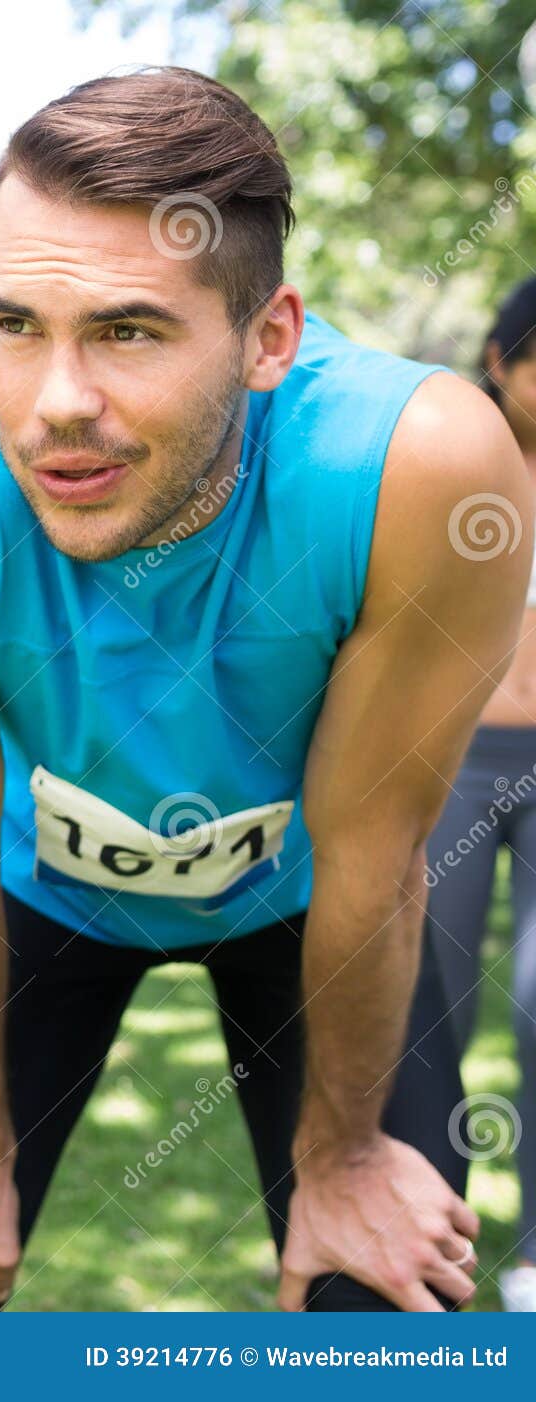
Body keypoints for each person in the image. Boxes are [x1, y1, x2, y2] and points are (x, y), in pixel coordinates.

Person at [0, 66, 531, 1313]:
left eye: (127, 330)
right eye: (14, 325)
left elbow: (374, 852)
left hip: (315, 897)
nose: (57, 405)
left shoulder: (423, 464)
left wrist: (346, 1155)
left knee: (393, 1309)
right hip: (35, 895)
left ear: (268, 338)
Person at [423, 275, 536, 1312]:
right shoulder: (456, 465)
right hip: (453, 757)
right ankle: (422, 1232)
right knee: (431, 1000)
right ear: (499, 360)